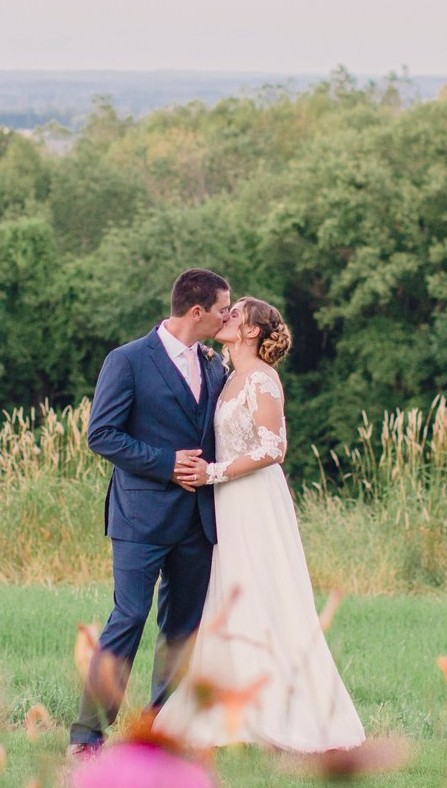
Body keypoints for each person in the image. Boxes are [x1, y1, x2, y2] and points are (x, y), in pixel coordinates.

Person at [154, 296, 363, 752]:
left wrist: (213, 472)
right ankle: (228, 703)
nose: (226, 316)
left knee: (262, 592)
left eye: (235, 312)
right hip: (228, 502)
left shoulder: (262, 380)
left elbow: (274, 448)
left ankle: (274, 709)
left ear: (251, 331)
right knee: (230, 595)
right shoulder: (229, 378)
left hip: (253, 499)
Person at [69, 268, 231, 754]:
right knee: (130, 615)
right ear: (197, 311)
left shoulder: (215, 366)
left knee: (182, 628)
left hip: (198, 523)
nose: (228, 316)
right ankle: (87, 734)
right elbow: (102, 434)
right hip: (140, 518)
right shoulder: (128, 360)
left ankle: (162, 727)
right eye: (223, 308)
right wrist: (165, 464)